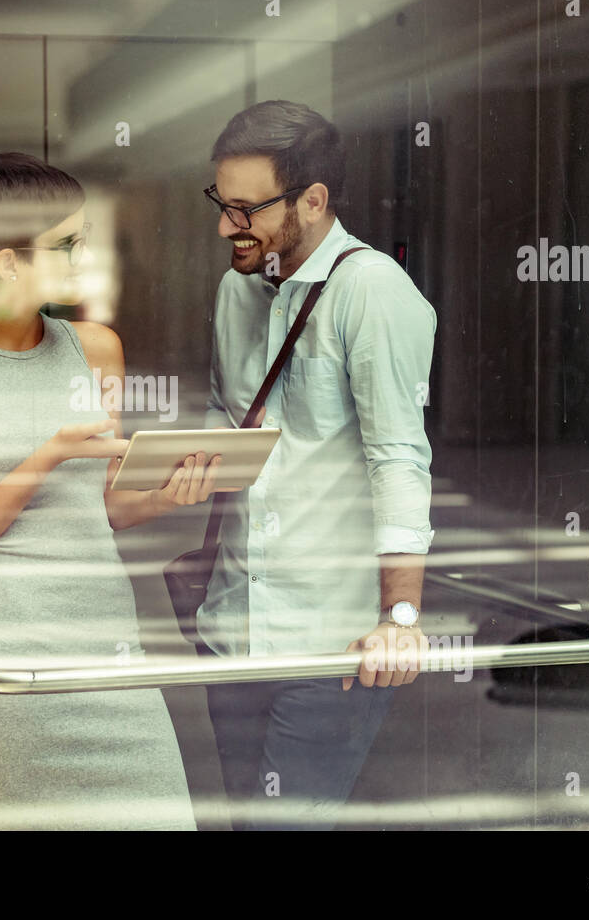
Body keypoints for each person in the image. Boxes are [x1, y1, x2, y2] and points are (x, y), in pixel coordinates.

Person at [0, 152, 226, 830]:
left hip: (111, 652)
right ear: (6, 262)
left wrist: (171, 495)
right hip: (10, 669)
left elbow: (102, 505)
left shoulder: (97, 348)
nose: (84, 258)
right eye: (66, 245)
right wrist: (48, 453)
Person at [198, 101, 437, 829]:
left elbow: (398, 458)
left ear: (313, 200)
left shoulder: (372, 292)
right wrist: (192, 461)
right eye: (220, 203)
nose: (224, 228)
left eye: (244, 210)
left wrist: (399, 618)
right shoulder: (238, 285)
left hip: (327, 648)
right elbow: (227, 412)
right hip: (230, 633)